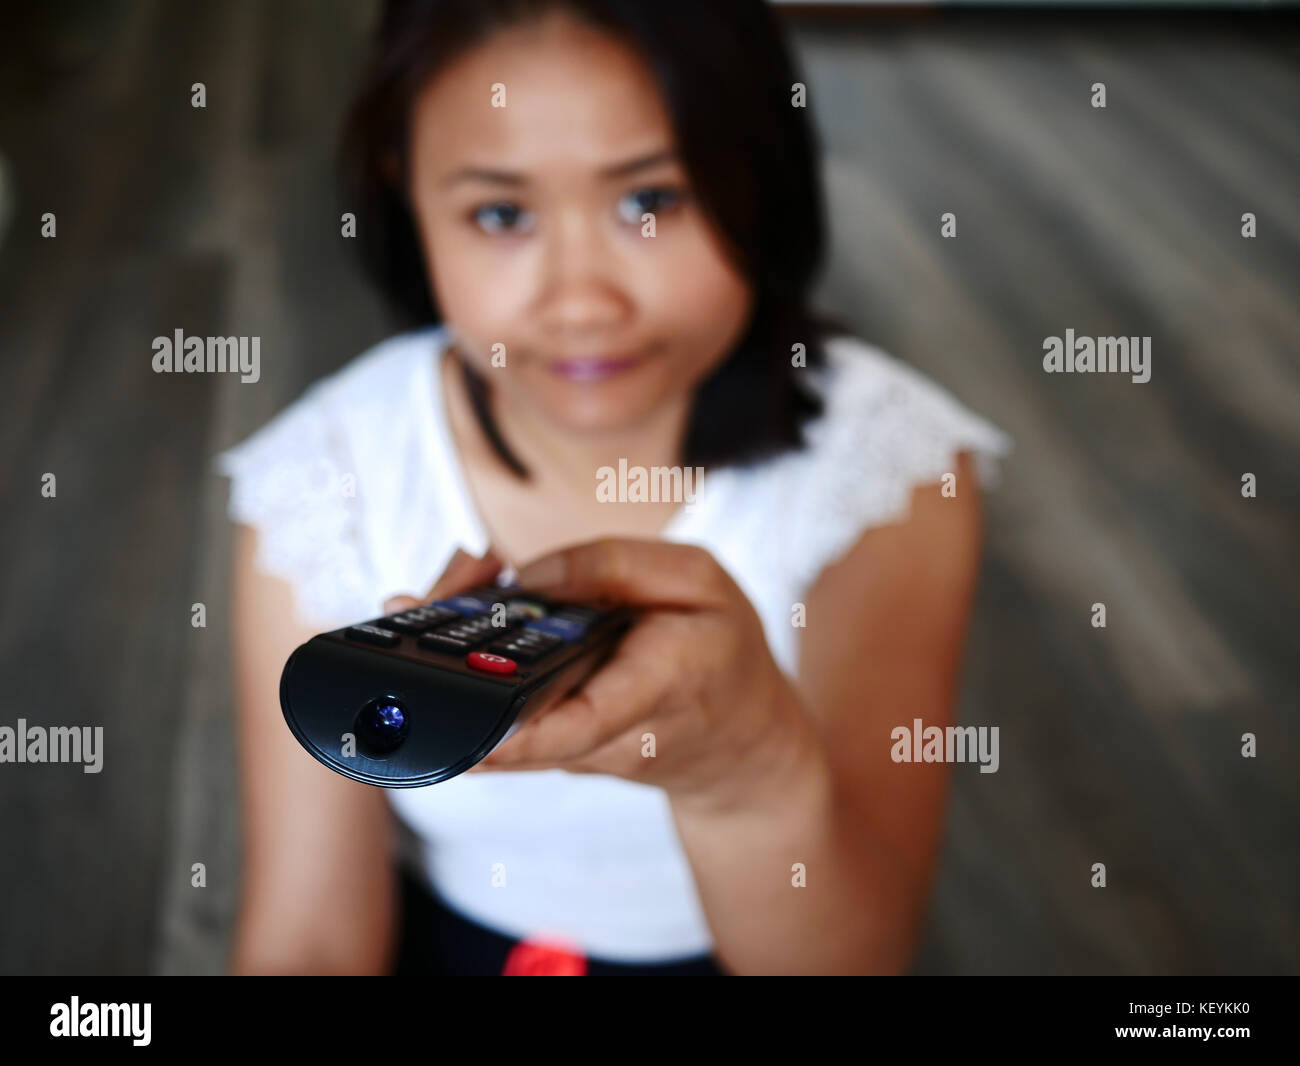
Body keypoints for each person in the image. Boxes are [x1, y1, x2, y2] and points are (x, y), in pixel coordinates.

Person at [218, 0, 1012, 976]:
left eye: (652, 201)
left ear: (757, 179)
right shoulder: (322, 483)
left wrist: (747, 770)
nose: (584, 300)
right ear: (405, 194)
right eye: (501, 214)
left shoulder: (889, 474)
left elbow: (858, 953)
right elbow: (310, 938)